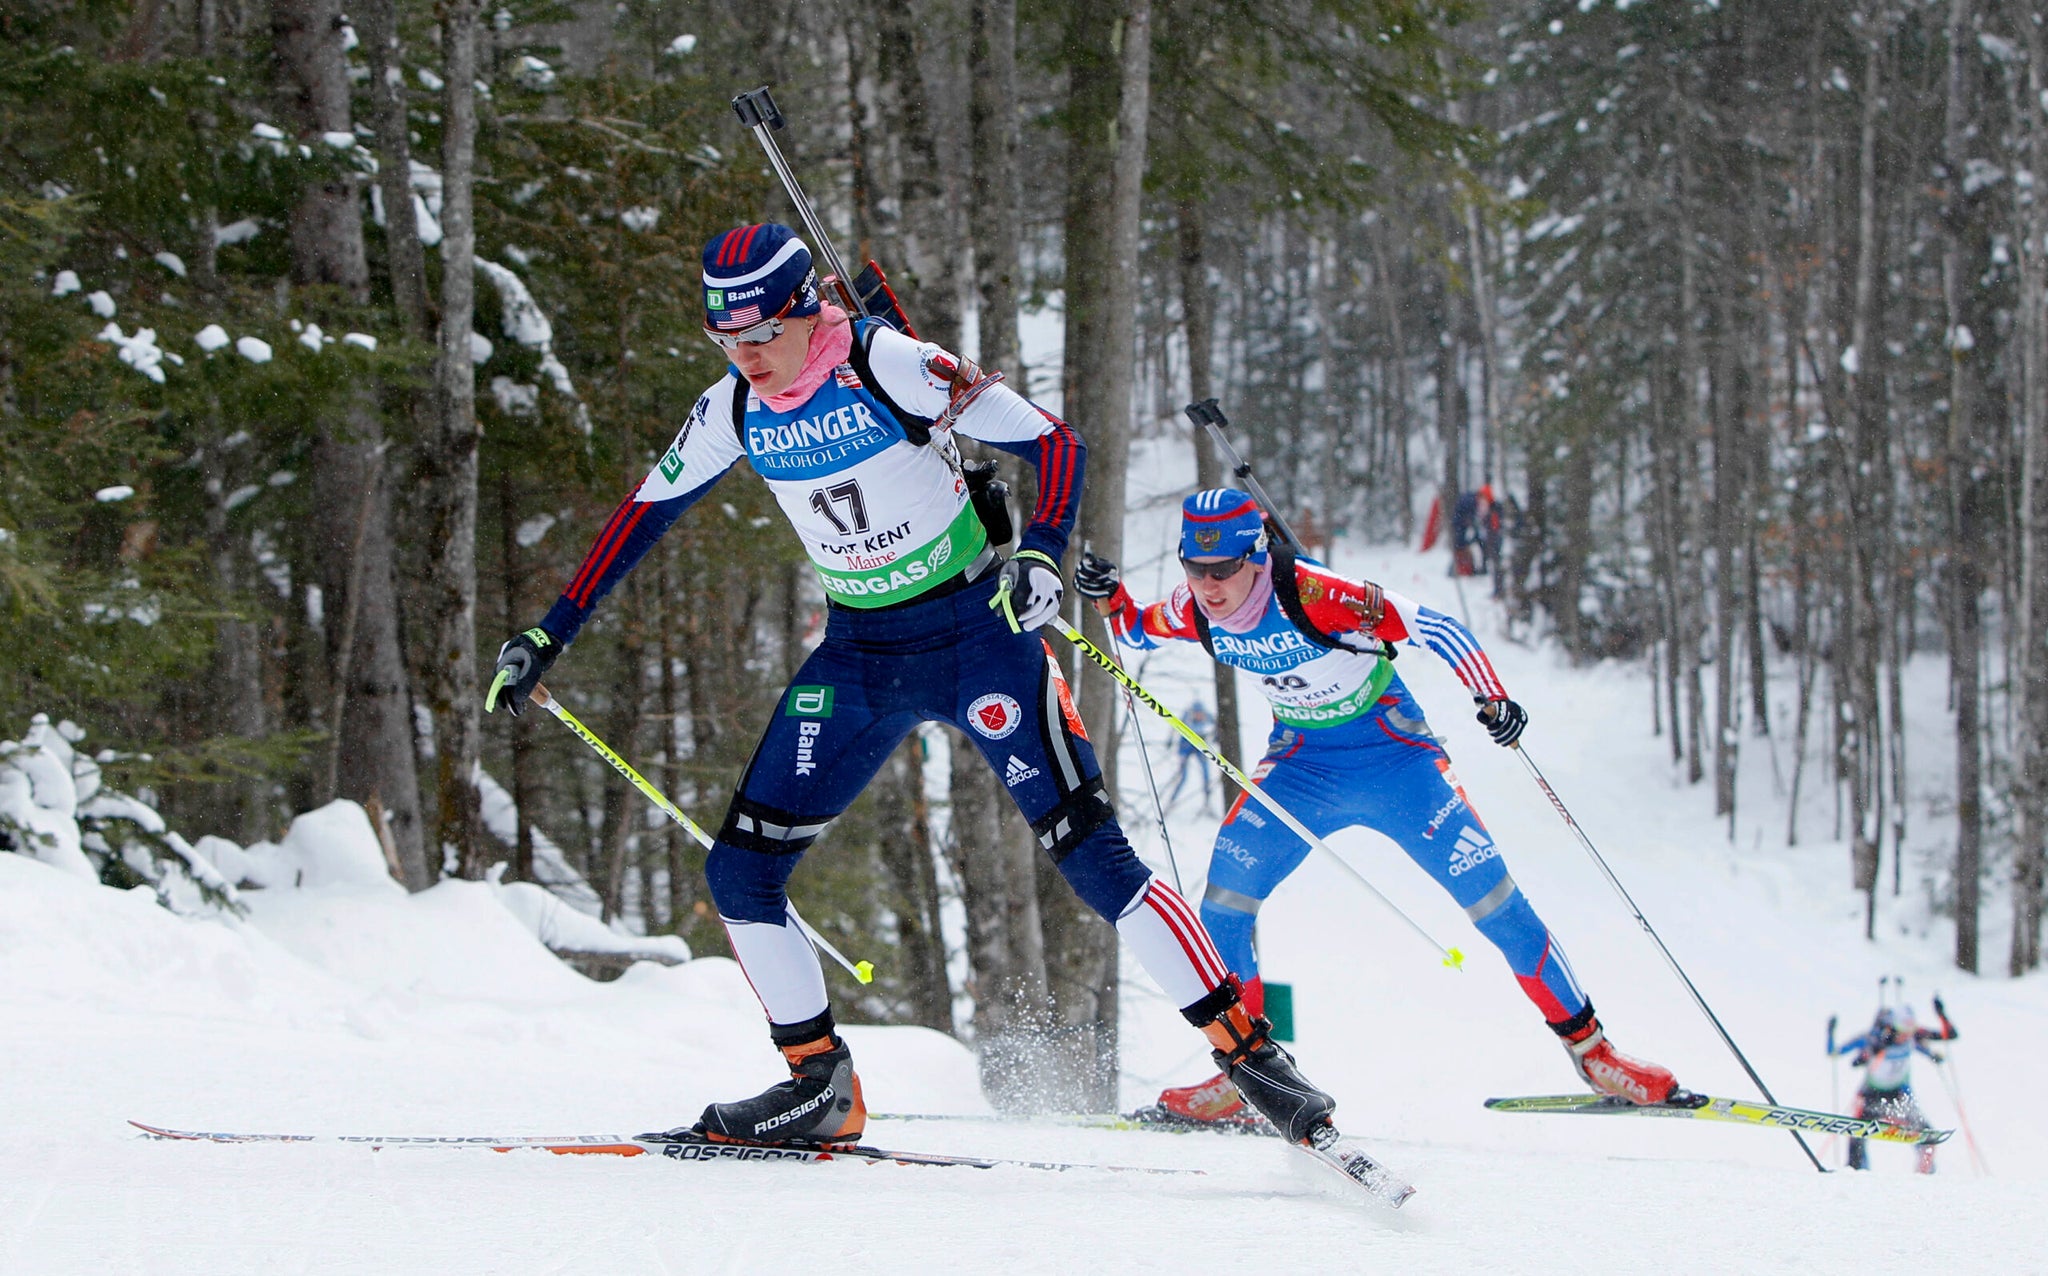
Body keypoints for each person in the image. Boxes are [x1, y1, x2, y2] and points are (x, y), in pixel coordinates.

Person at [486, 225, 1340, 1150]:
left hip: (980, 636)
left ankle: (1250, 1058)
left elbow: (1054, 441)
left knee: (1095, 859)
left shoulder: (889, 361)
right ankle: (820, 1085)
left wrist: (1044, 557)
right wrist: (548, 633)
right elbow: (642, 516)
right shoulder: (732, 407)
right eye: (726, 344)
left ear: (803, 308)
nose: (747, 361)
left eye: (759, 338)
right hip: (859, 656)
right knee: (739, 870)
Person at [1074, 489, 1680, 1125]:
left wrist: (1491, 697)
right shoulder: (1197, 608)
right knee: (1222, 905)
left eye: (1222, 568)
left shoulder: (1318, 594)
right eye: (1194, 570)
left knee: (1498, 906)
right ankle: (1247, 1076)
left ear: (1255, 555)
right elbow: (1137, 629)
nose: (1208, 585)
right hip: (1301, 770)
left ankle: (1595, 1055)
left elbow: (1439, 628)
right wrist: (1110, 595)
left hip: (1398, 764)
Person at [1828, 998, 1959, 1173]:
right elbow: (1835, 1052)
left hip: (1899, 1096)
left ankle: (1925, 1177)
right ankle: (1857, 1175)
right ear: (1892, 1027)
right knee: (1856, 1139)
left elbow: (1949, 1034)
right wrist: (1831, 1033)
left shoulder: (1912, 1037)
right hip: (1870, 1096)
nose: (1906, 1036)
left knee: (1927, 1138)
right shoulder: (1874, 1039)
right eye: (1902, 1031)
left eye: (1909, 1031)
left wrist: (1941, 1014)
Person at [1167, 700, 1215, 811]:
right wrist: (1169, 741)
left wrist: (1216, 736)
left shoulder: (1207, 716)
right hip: (1185, 745)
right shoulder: (1187, 716)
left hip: (1199, 745)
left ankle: (1208, 803)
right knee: (1183, 777)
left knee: (1206, 775)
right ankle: (1171, 801)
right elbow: (1174, 726)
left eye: (1200, 714)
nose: (1199, 716)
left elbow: (1216, 724)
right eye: (1197, 713)